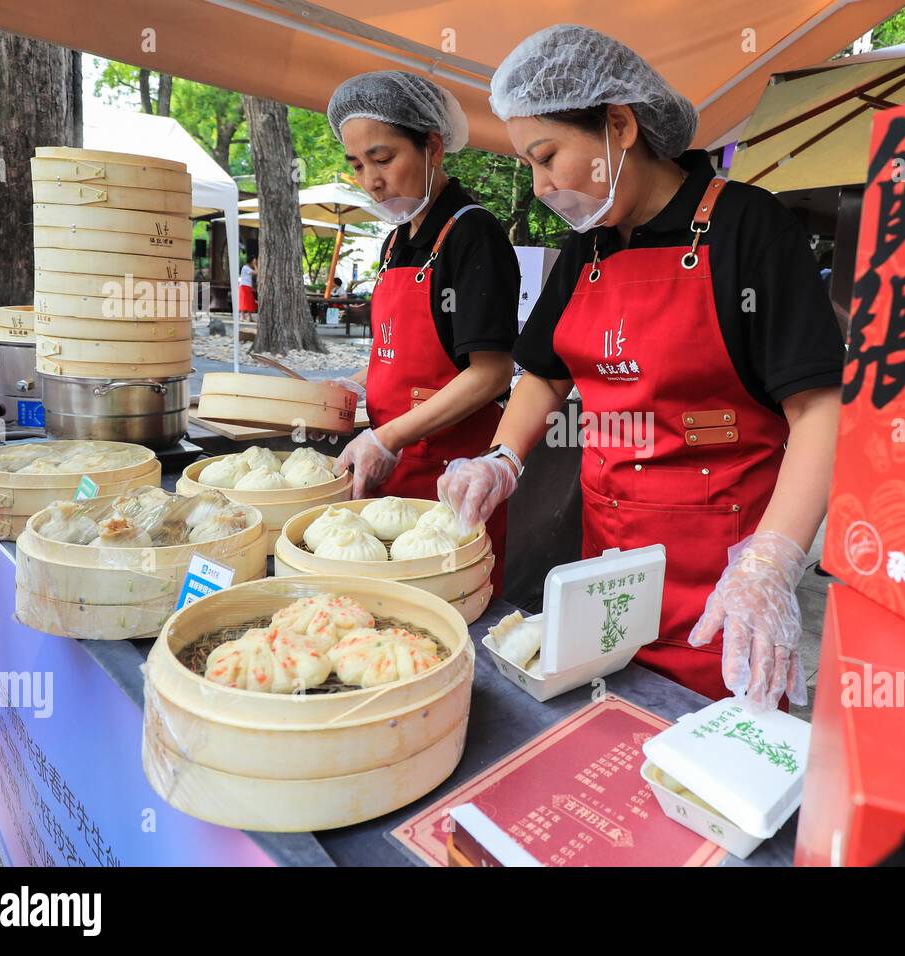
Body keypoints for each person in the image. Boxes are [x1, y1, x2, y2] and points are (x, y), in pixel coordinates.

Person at [439, 25, 845, 710]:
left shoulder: (750, 228)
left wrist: (772, 562)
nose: (539, 187)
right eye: (528, 168)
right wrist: (502, 459)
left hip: (721, 588)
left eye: (547, 157)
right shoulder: (587, 249)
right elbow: (542, 372)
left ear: (619, 125)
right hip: (607, 576)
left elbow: (818, 408)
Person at [328, 71, 520, 593]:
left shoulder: (472, 233)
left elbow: (491, 372)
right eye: (357, 165)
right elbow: (396, 353)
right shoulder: (394, 243)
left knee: (445, 606)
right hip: (388, 462)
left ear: (432, 145)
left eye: (383, 158)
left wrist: (389, 436)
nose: (371, 180)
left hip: (450, 474)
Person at [238, 254, 257, 319]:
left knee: (248, 301)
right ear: (251, 261)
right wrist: (255, 265)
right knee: (245, 300)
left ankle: (248, 316)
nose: (255, 263)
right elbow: (256, 272)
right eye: (254, 262)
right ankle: (243, 316)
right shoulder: (246, 267)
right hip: (244, 286)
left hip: (246, 286)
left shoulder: (247, 268)